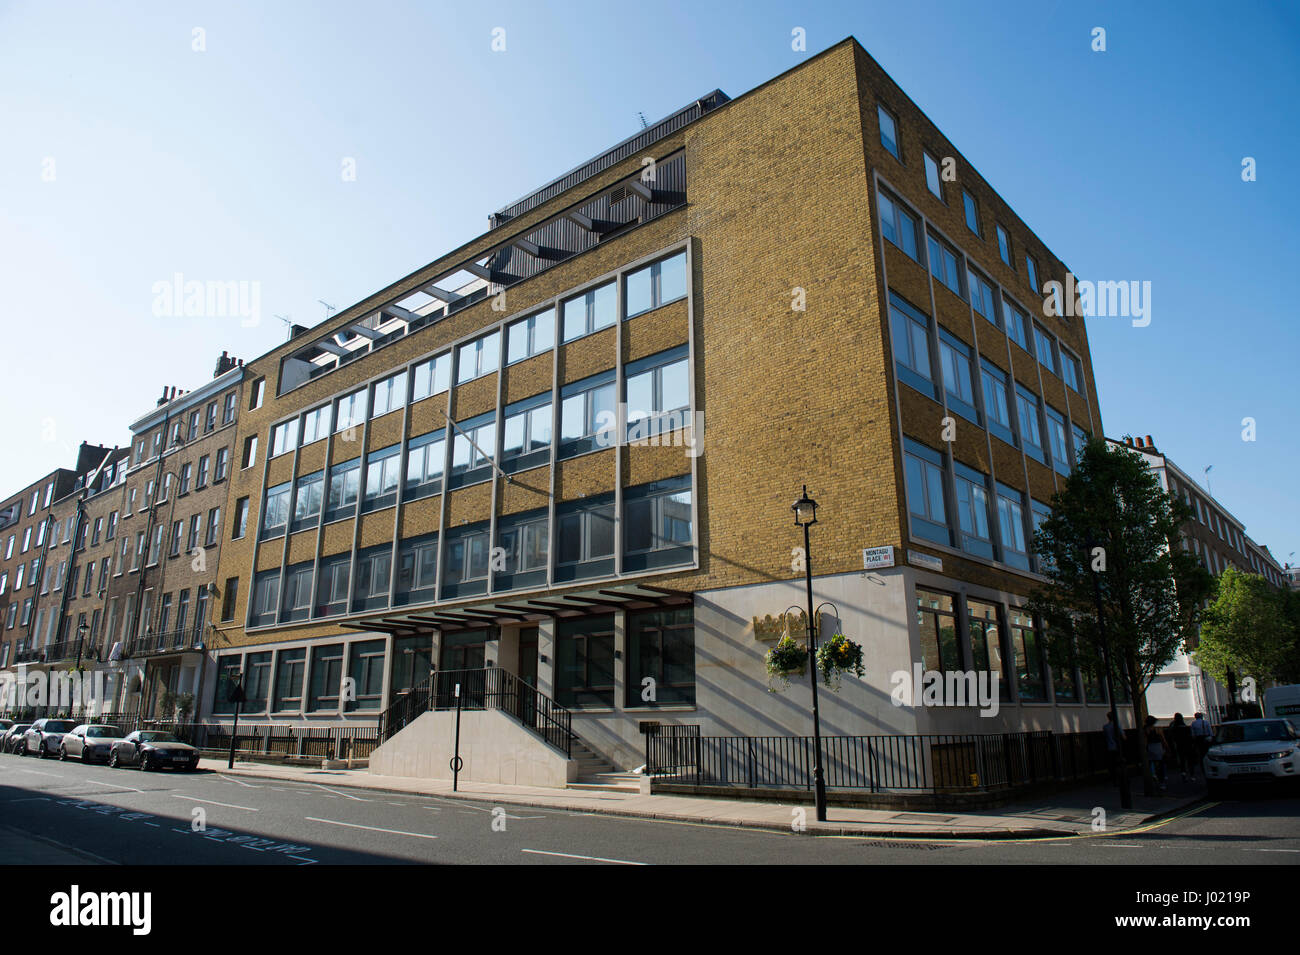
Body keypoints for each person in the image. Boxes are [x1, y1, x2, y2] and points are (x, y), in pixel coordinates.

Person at [1144, 715, 1168, 791]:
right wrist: (1167, 748)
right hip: (1158, 746)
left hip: (1150, 747)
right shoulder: (1157, 730)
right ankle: (1162, 782)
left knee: (1151, 762)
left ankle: (1153, 774)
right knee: (1160, 764)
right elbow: (1163, 740)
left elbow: (1145, 741)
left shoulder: (1145, 730)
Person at [1167, 713, 1193, 781]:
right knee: (1188, 759)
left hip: (1179, 745)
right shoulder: (1185, 727)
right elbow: (1190, 736)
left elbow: (1171, 736)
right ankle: (1191, 774)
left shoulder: (1174, 727)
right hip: (1187, 745)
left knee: (1182, 759)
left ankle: (1183, 772)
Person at [1103, 712, 1123, 785]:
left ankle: (1114, 779)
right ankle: (1120, 778)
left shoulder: (1105, 727)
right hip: (1117, 747)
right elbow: (1123, 736)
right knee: (1119, 763)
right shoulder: (1117, 725)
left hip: (1110, 747)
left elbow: (1105, 736)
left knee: (1112, 764)